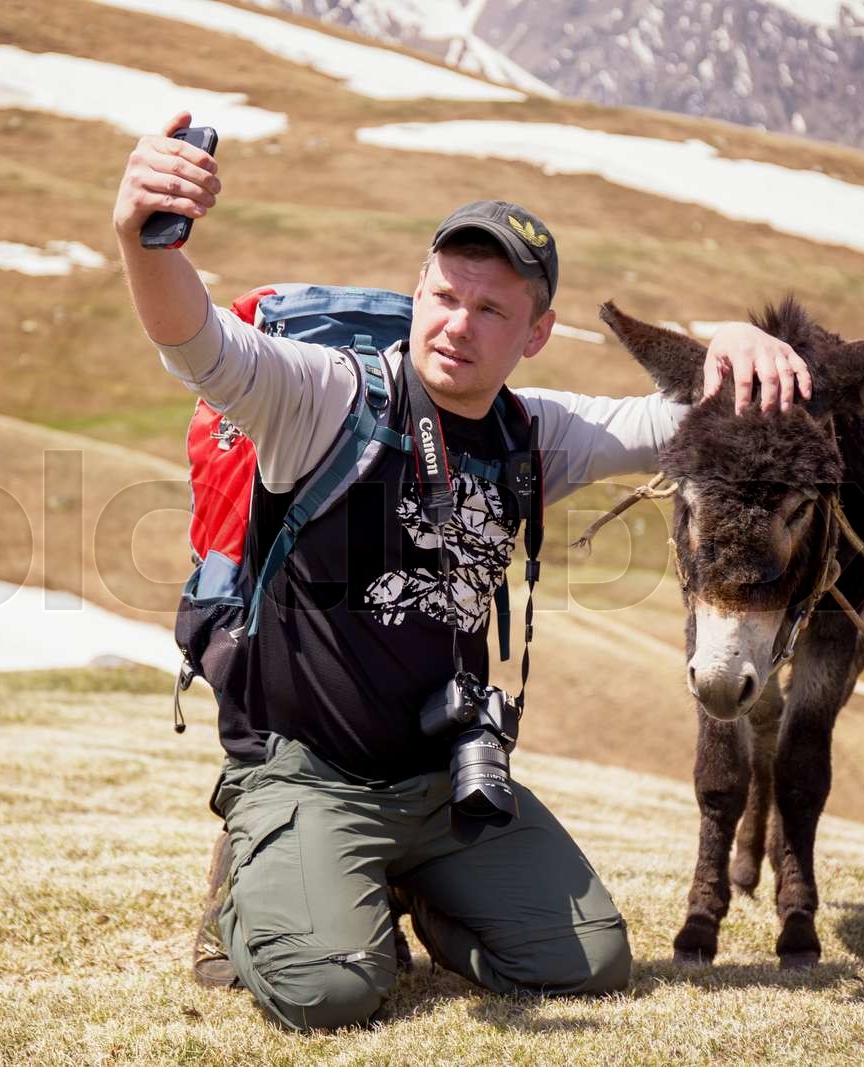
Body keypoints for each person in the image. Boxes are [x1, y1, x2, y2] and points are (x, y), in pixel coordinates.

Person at [113, 111, 811, 1031]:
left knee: (591, 960)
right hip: (310, 770)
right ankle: (254, 881)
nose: (458, 325)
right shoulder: (323, 398)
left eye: (492, 310)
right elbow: (198, 341)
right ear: (417, 290)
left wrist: (735, 343)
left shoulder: (534, 434)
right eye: (445, 295)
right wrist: (142, 238)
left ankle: (387, 886)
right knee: (336, 991)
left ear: (536, 333)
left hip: (445, 775)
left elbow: (672, 418)